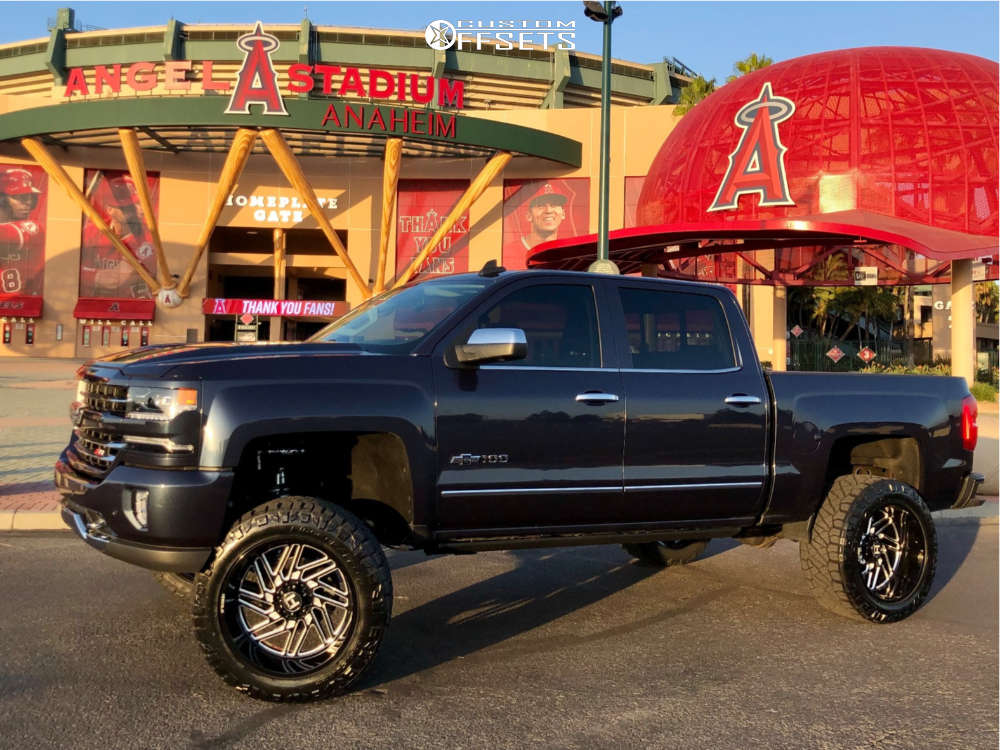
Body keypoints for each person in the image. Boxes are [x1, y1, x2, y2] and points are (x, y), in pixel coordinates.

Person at [80, 172, 154, 298]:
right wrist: (93, 276)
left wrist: (90, 276)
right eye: (130, 207)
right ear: (110, 209)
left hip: (131, 307)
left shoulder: (147, 238)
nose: (139, 210)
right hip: (94, 306)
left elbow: (113, 280)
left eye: (139, 204)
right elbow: (73, 270)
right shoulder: (93, 231)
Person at [502, 182, 569, 270]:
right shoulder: (509, 253)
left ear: (563, 214)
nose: (548, 210)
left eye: (554, 205)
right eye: (540, 206)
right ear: (529, 216)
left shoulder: (569, 254)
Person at [0, 168, 43, 295]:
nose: (29, 203)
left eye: (31, 198)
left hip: (20, 303)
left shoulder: (33, 227)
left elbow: (5, 234)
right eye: (21, 198)